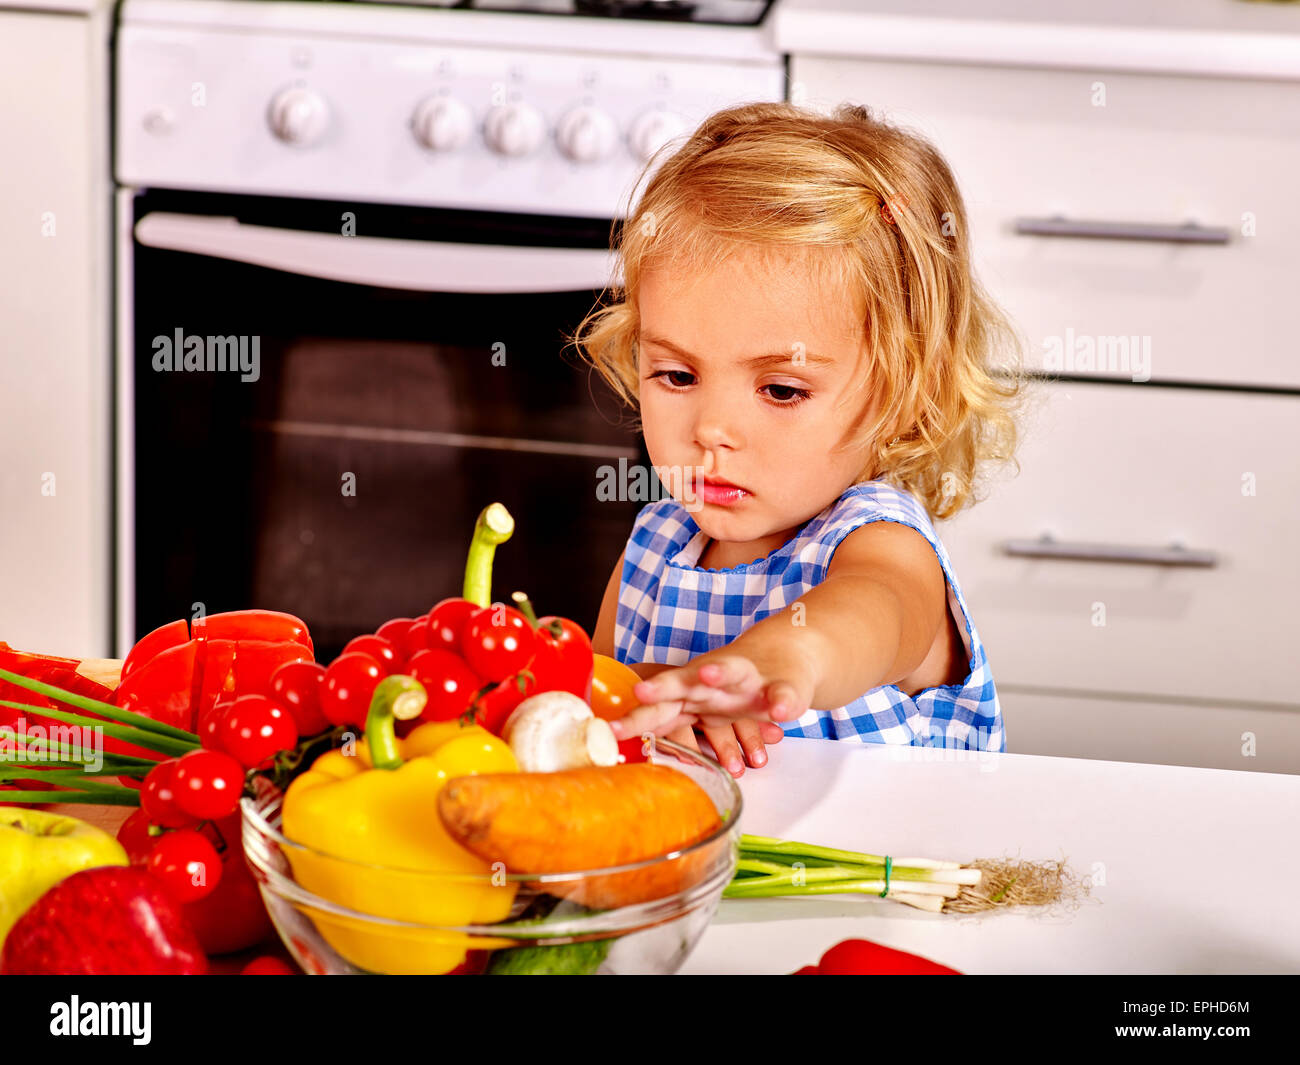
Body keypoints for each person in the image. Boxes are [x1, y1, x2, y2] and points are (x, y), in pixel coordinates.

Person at [569, 101, 1022, 778]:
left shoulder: (881, 546)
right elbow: (600, 709)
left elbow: (870, 615)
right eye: (676, 374)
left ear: (905, 391)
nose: (711, 430)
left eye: (781, 390)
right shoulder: (654, 548)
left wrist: (786, 659)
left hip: (871, 880)